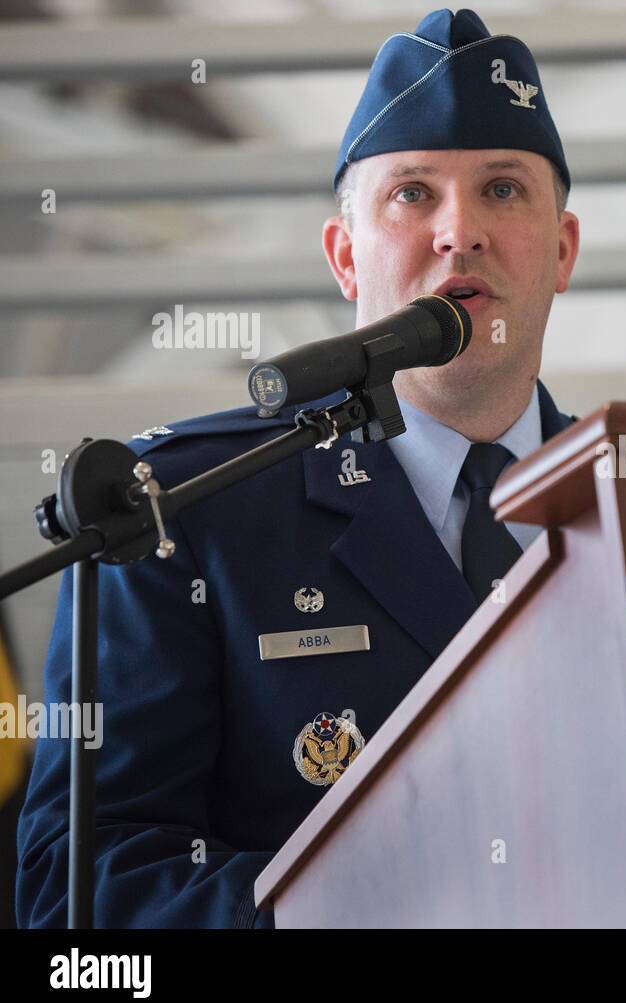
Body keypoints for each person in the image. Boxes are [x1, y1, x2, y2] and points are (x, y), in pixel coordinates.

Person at [16, 8, 581, 928]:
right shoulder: (182, 513)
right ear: (345, 255)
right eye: (411, 194)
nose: (459, 232)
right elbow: (78, 898)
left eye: (505, 190)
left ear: (561, 252)